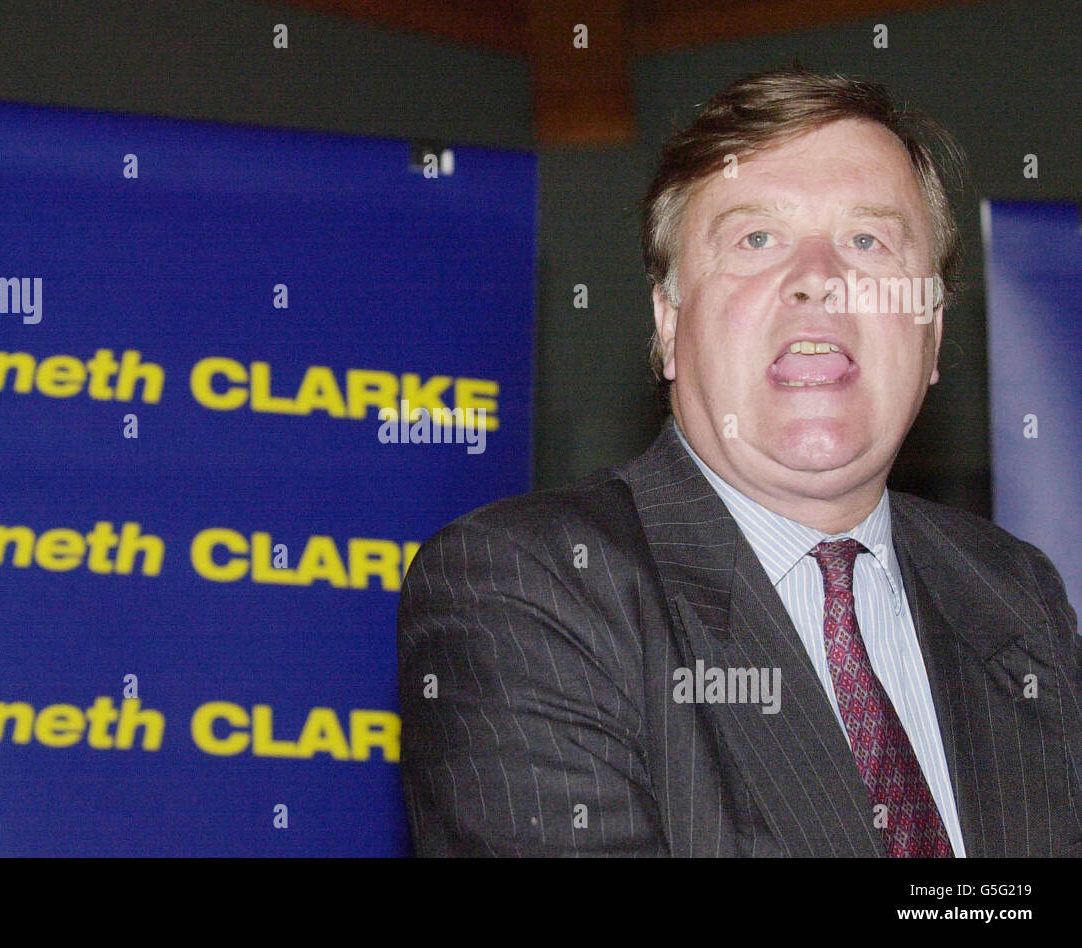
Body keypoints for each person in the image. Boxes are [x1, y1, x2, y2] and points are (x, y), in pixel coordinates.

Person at [396, 64, 1082, 857]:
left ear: (930, 334)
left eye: (868, 240)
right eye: (757, 239)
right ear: (667, 322)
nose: (819, 280)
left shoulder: (1012, 593)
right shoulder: (526, 585)